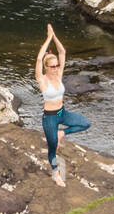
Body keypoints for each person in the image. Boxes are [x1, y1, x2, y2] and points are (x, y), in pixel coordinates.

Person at [35, 23, 90, 187]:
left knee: (85, 123)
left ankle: (62, 134)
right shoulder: (42, 79)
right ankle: (56, 174)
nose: (56, 68)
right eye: (52, 66)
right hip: (50, 118)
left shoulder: (59, 75)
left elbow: (62, 52)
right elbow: (39, 58)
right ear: (46, 67)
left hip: (62, 113)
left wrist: (55, 36)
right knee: (52, 149)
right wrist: (48, 39)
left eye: (57, 65)